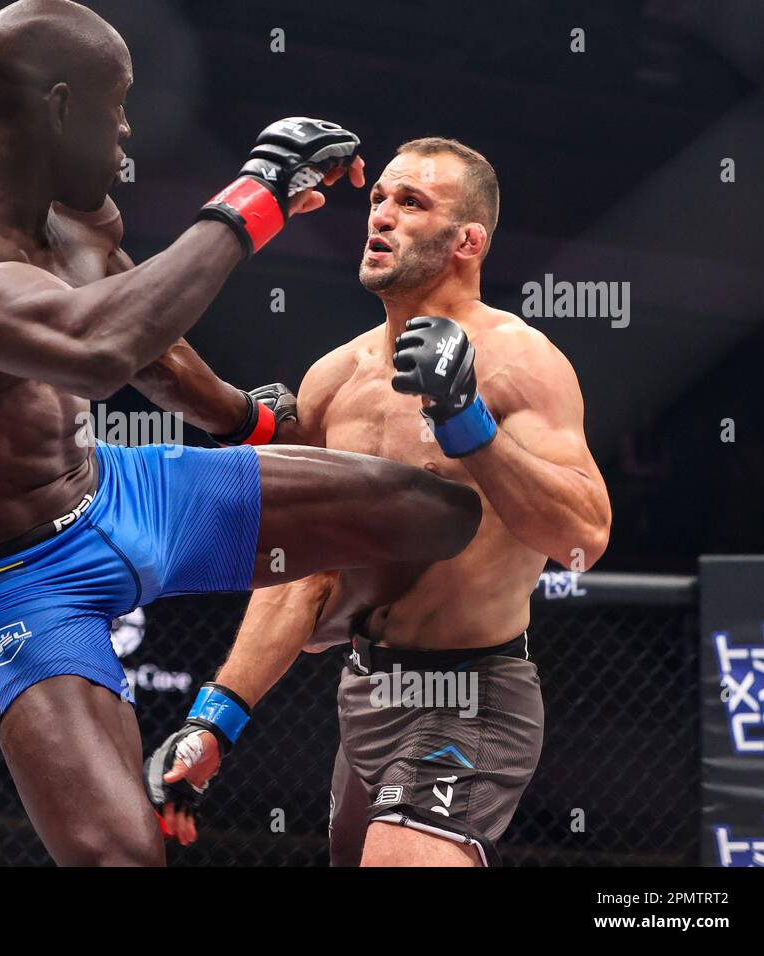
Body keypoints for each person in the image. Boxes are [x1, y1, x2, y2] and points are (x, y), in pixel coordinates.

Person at [0, 0, 481, 866]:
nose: (130, 129)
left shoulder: (80, 220)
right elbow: (91, 351)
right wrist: (254, 199)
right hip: (13, 576)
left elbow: (153, 351)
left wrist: (245, 421)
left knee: (435, 512)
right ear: (61, 107)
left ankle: (372, 686)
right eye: (119, 104)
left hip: (123, 489)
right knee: (121, 858)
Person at [146, 137, 613, 866]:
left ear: (468, 241)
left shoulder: (521, 362)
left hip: (472, 693)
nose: (382, 217)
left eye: (412, 203)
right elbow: (308, 573)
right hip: (365, 693)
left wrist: (469, 424)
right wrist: (216, 717)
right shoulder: (335, 379)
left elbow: (583, 539)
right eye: (378, 199)